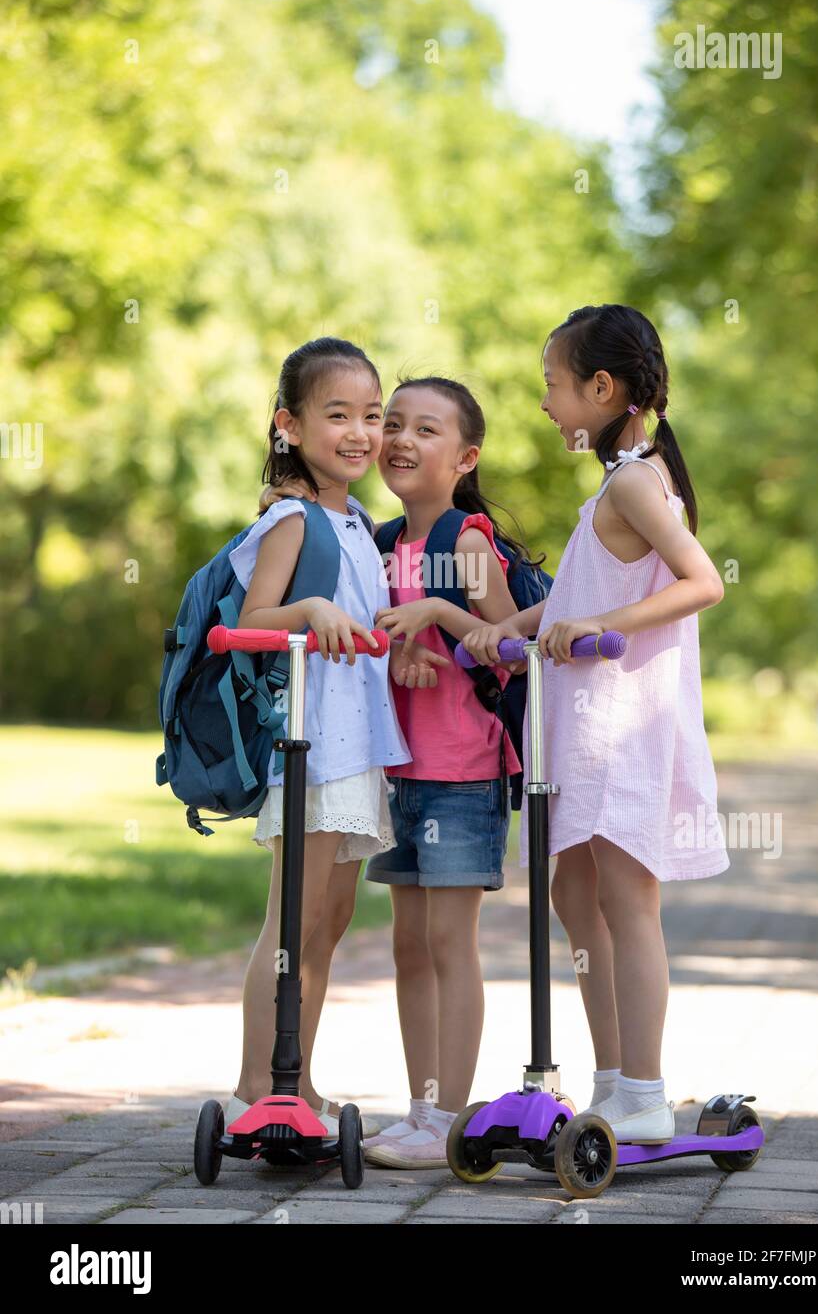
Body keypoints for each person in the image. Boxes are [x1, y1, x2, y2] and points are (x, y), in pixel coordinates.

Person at [462, 304, 729, 1144]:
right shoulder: (620, 482)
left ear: (602, 389)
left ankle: (643, 1087)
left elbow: (703, 583)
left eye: (553, 384)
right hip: (582, 727)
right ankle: (614, 1079)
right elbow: (583, 599)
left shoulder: (633, 481)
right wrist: (519, 626)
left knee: (626, 902)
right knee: (574, 892)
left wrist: (590, 630)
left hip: (623, 726)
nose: (545, 402)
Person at [264, 375, 540, 1167]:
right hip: (399, 772)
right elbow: (375, 644)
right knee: (408, 946)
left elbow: (507, 648)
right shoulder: (377, 542)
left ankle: (451, 1114)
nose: (401, 441)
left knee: (451, 941)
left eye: (427, 430)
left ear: (465, 457)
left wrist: (441, 620)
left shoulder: (465, 539)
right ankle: (420, 1106)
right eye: (398, 426)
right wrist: (407, 647)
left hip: (461, 773)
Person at [224, 335, 423, 1137]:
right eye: (337, 414)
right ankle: (253, 1090)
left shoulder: (359, 522)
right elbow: (251, 623)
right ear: (289, 425)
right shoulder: (292, 521)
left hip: (354, 751)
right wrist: (307, 613)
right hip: (308, 748)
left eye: (372, 416)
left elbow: (361, 622)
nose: (360, 433)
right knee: (291, 921)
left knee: (329, 923)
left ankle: (295, 1084)